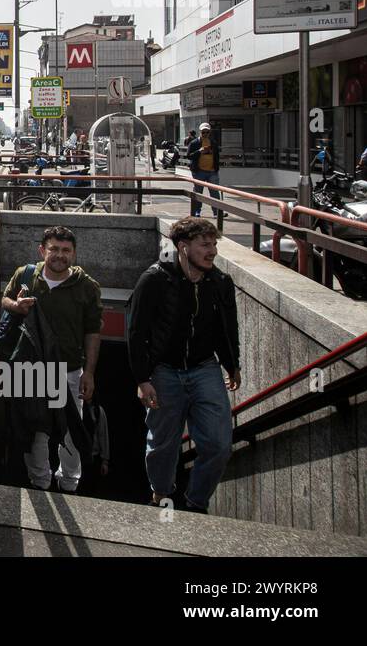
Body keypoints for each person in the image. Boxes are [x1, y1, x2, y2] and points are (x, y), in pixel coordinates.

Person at [127, 217, 240, 514]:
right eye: (205, 244)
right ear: (183, 246)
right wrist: (143, 379)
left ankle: (195, 503)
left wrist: (232, 364)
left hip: (205, 368)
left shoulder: (220, 282)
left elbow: (228, 327)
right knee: (164, 445)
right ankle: (161, 494)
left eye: (214, 244)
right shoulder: (154, 280)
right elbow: (136, 332)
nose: (212, 251)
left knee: (218, 444)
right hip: (164, 371)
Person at [0, 226, 104, 494]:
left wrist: (88, 373)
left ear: (74, 254)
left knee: (71, 432)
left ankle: (69, 483)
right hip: (32, 371)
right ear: (42, 250)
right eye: (54, 249)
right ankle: (40, 482)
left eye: (66, 250)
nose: (59, 255)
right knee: (36, 430)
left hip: (70, 371)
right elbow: (5, 300)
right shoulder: (26, 275)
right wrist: (17, 306)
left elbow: (93, 332)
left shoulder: (87, 287)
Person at [186, 123, 222, 222]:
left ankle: (216, 212)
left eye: (207, 132)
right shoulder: (194, 143)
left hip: (212, 171)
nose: (205, 134)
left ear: (209, 132)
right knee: (198, 192)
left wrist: (216, 168)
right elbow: (188, 156)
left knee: (214, 192)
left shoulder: (213, 142)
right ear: (200, 132)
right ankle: (197, 211)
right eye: (203, 132)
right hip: (199, 171)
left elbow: (216, 156)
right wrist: (199, 151)